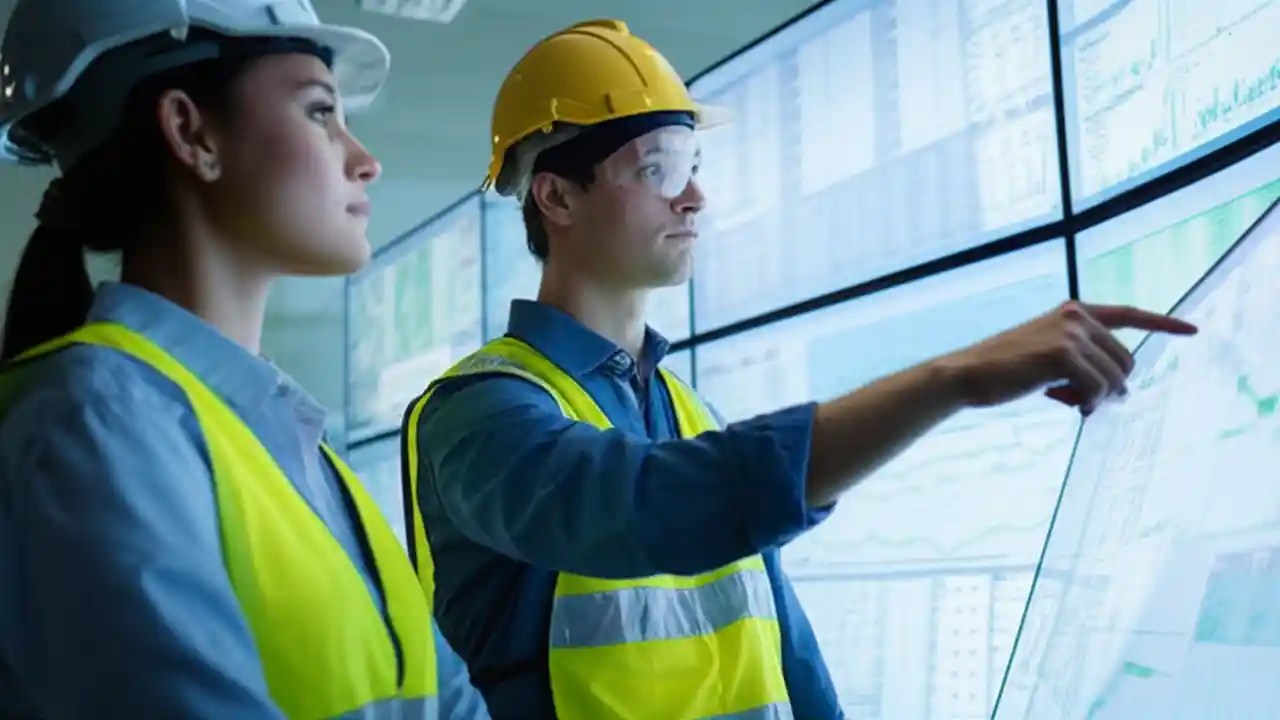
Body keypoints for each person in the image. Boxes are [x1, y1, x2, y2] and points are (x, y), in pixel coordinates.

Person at [401, 18, 1198, 720]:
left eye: (694, 164)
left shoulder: (687, 411)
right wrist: (949, 379)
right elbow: (645, 506)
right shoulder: (479, 413)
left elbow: (787, 654)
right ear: (557, 198)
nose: (695, 197)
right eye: (658, 169)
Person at [0, 1, 489, 718]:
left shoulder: (289, 441)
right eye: (320, 112)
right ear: (191, 132)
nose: (366, 160)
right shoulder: (95, 421)